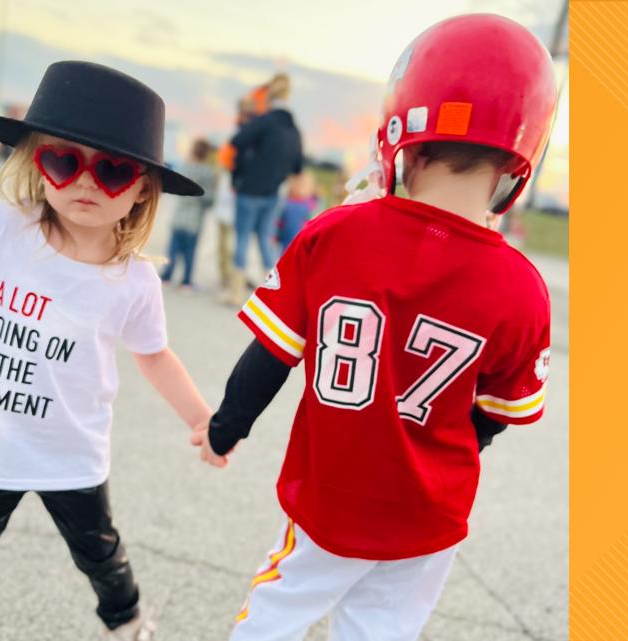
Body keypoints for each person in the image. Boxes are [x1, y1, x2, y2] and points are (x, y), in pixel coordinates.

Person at [190, 15, 558, 640]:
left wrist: (226, 428)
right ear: (519, 161)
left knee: (276, 613)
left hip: (331, 497)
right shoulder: (523, 286)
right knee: (381, 630)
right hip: (429, 515)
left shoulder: (336, 234)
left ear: (402, 133)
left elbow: (269, 356)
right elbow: (494, 417)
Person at [0, 61, 211, 641]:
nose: (85, 182)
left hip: (73, 451)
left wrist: (200, 418)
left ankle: (127, 622)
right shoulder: (0, 230)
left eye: (112, 170)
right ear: (38, 164)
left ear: (142, 189)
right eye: (65, 161)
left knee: (100, 552)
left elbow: (153, 355)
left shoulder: (134, 280)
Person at [226, 74, 303, 305]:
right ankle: (274, 296)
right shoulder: (294, 129)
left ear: (269, 97)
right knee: (265, 240)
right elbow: (297, 166)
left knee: (242, 238)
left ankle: (236, 293)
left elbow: (237, 141)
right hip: (274, 193)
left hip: (250, 190)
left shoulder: (265, 120)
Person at [161, 138, 217, 289]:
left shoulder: (183, 167)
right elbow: (209, 199)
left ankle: (166, 276)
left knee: (172, 251)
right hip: (194, 221)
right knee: (189, 253)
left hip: (178, 217)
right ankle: (186, 281)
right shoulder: (208, 172)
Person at [276, 172, 318, 251]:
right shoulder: (311, 204)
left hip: (297, 237)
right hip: (289, 236)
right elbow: (279, 221)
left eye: (303, 186)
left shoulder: (310, 204)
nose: (300, 189)